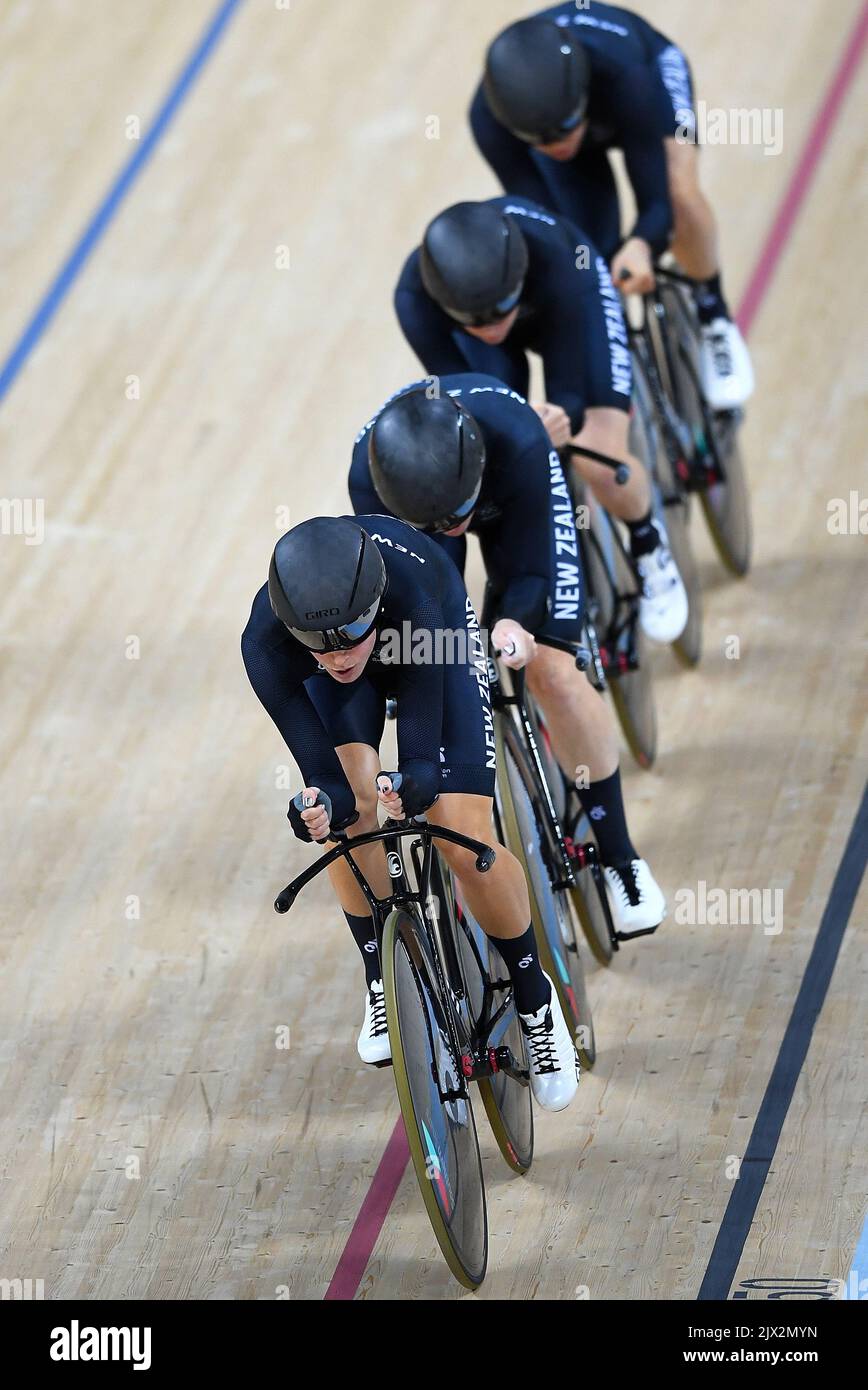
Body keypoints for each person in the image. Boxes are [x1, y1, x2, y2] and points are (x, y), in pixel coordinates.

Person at [241, 513, 579, 1110]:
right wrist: (316, 808)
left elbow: (421, 762)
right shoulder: (267, 644)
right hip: (368, 659)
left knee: (456, 832)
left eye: (349, 633)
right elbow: (322, 775)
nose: (337, 653)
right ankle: (380, 975)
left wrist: (414, 780)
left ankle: (533, 996)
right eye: (318, 643)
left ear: (371, 602)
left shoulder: (414, 597)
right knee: (343, 814)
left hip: (433, 642)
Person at [349, 375, 667, 936]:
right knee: (429, 655)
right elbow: (412, 594)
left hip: (512, 497)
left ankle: (620, 857)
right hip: (418, 532)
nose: (456, 527)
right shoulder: (370, 481)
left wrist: (515, 626)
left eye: (460, 512)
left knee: (552, 670)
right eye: (444, 522)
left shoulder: (516, 438)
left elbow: (536, 568)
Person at [394, 195, 687, 642]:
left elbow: (575, 389)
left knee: (597, 454)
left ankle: (647, 541)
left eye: (503, 305)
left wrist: (564, 418)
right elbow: (463, 394)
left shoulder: (558, 260)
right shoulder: (415, 301)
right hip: (490, 360)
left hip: (566, 312)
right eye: (476, 317)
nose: (492, 322)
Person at [470, 4, 754, 411]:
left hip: (647, 76)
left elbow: (654, 202)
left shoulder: (621, 72)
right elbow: (542, 221)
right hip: (586, 118)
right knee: (582, 251)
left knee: (679, 192)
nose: (556, 143)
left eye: (565, 128)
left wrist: (643, 243)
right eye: (540, 139)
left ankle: (714, 314)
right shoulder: (487, 119)